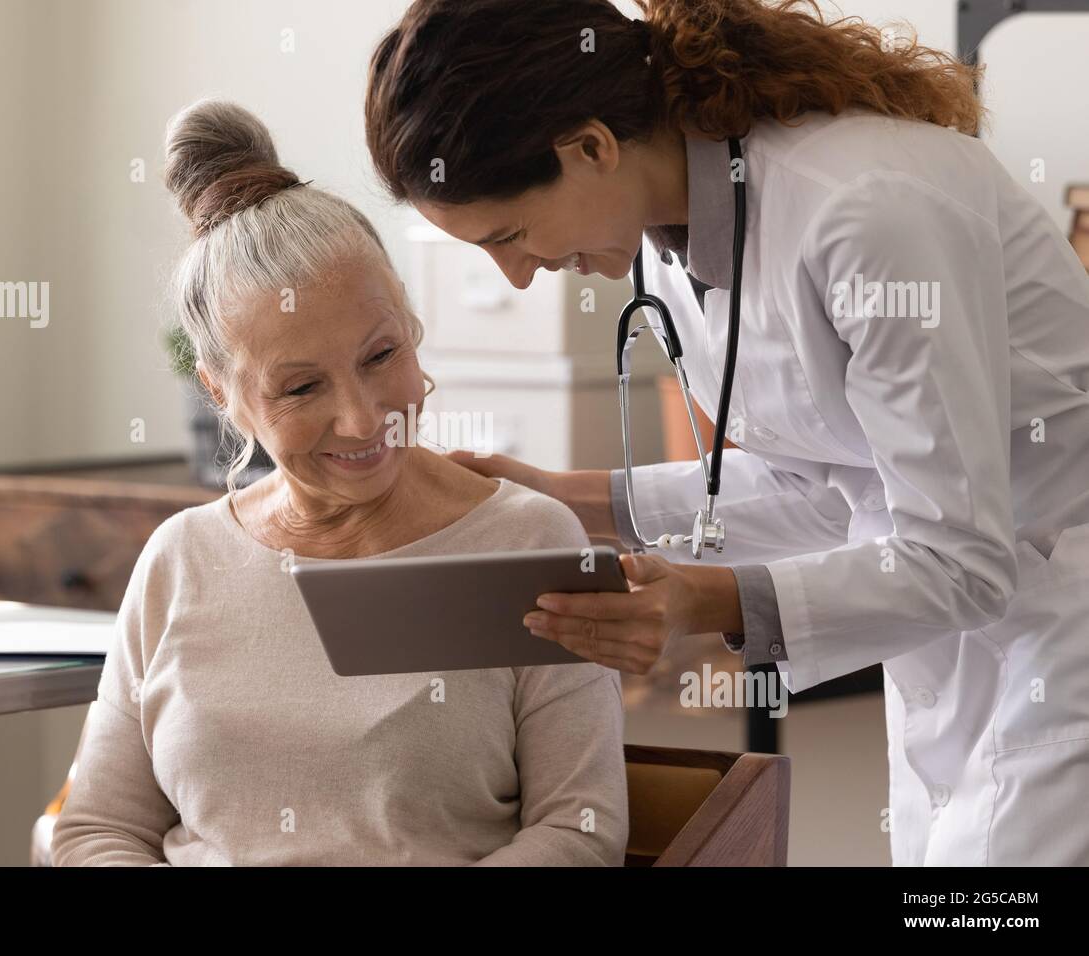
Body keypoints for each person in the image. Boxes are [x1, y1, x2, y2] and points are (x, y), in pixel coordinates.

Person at [364, 0, 1089, 865]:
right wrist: (555, 496)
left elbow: (963, 557)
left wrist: (703, 603)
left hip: (1059, 622)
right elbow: (823, 485)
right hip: (950, 649)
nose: (516, 276)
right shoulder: (674, 246)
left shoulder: (866, 211)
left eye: (511, 236)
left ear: (591, 146)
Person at [51, 98, 628, 866]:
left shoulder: (526, 543)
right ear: (220, 392)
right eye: (299, 389)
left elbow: (579, 832)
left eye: (381, 355)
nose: (362, 421)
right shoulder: (179, 560)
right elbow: (96, 831)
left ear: (412, 324)